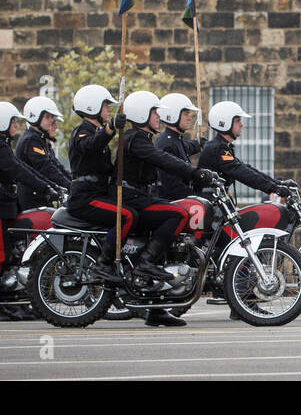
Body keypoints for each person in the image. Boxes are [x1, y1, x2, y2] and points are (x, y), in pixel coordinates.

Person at [123, 91, 217, 327]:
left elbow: (181, 150)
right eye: (154, 112)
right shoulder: (139, 139)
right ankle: (146, 263)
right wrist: (194, 175)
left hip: (140, 195)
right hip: (135, 196)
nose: (158, 116)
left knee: (172, 241)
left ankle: (157, 308)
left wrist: (198, 146)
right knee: (177, 214)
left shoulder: (148, 137)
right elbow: (166, 161)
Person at [65, 84, 170, 284]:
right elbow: (90, 145)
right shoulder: (82, 131)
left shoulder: (97, 131)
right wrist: (111, 127)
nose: (108, 110)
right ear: (91, 107)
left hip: (99, 194)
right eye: (105, 106)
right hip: (85, 197)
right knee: (126, 215)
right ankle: (103, 264)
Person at [0, 102, 61, 321]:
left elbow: (25, 170)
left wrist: (50, 187)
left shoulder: (1, 145)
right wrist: (45, 187)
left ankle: (6, 302)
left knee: (11, 255)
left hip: (5, 206)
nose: (16, 124)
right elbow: (18, 172)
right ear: (2, 122)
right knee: (0, 256)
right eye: (13, 121)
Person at [15, 96, 71, 210]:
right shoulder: (31, 140)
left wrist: (72, 182)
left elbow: (56, 166)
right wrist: (71, 186)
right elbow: (46, 169)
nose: (52, 121)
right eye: (47, 117)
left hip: (41, 199)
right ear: (35, 117)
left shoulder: (39, 139)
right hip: (33, 201)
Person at [153, 93, 204, 202]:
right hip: (172, 203)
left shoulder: (175, 139)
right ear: (173, 114)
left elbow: (184, 148)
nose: (190, 118)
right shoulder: (166, 142)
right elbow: (172, 186)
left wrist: (198, 143)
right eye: (186, 113)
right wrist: (198, 198)